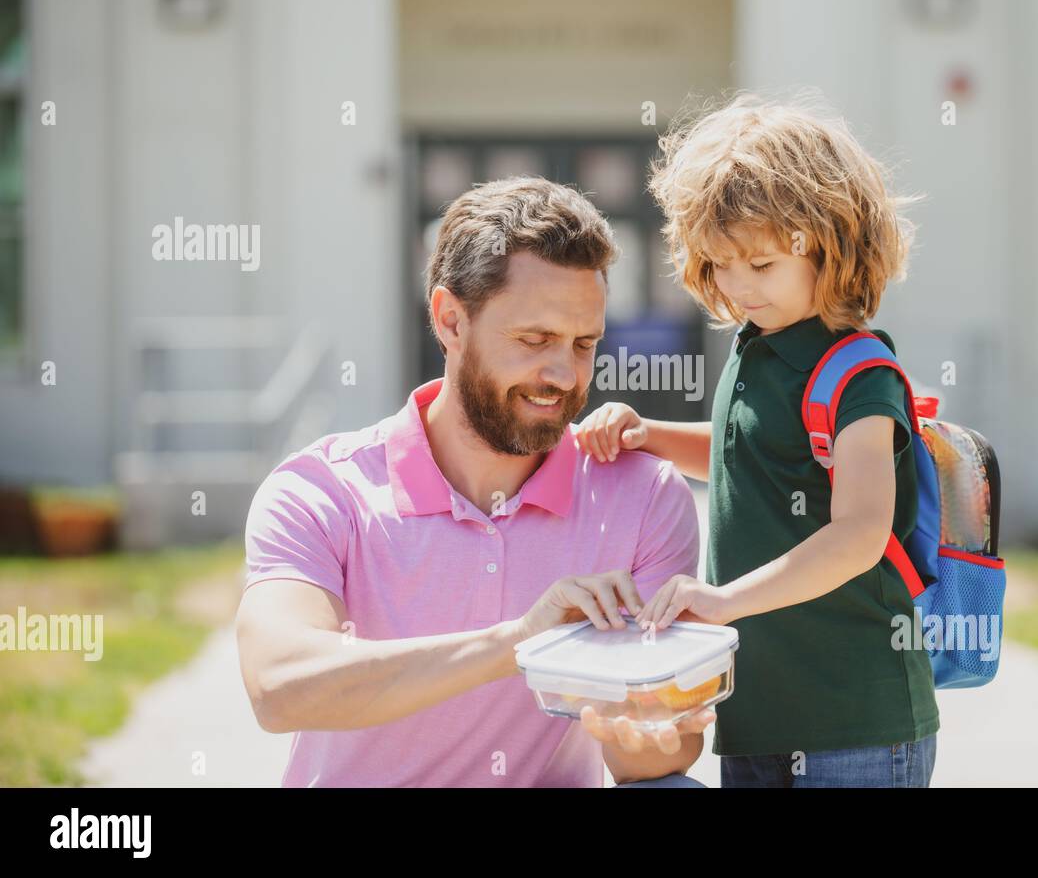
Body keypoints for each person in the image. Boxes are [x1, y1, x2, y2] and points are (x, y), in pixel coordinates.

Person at [236, 176, 710, 787]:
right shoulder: (322, 491)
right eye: (534, 340)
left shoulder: (644, 496)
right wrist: (519, 643)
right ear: (450, 321)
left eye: (584, 344)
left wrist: (647, 729)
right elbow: (279, 688)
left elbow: (652, 756)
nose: (564, 374)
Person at [576, 93, 939, 788]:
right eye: (719, 265)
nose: (738, 286)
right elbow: (745, 451)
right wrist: (647, 434)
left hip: (856, 724)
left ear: (830, 244)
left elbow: (861, 530)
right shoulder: (756, 345)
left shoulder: (863, 373)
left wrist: (722, 600)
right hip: (758, 716)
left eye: (762, 265)